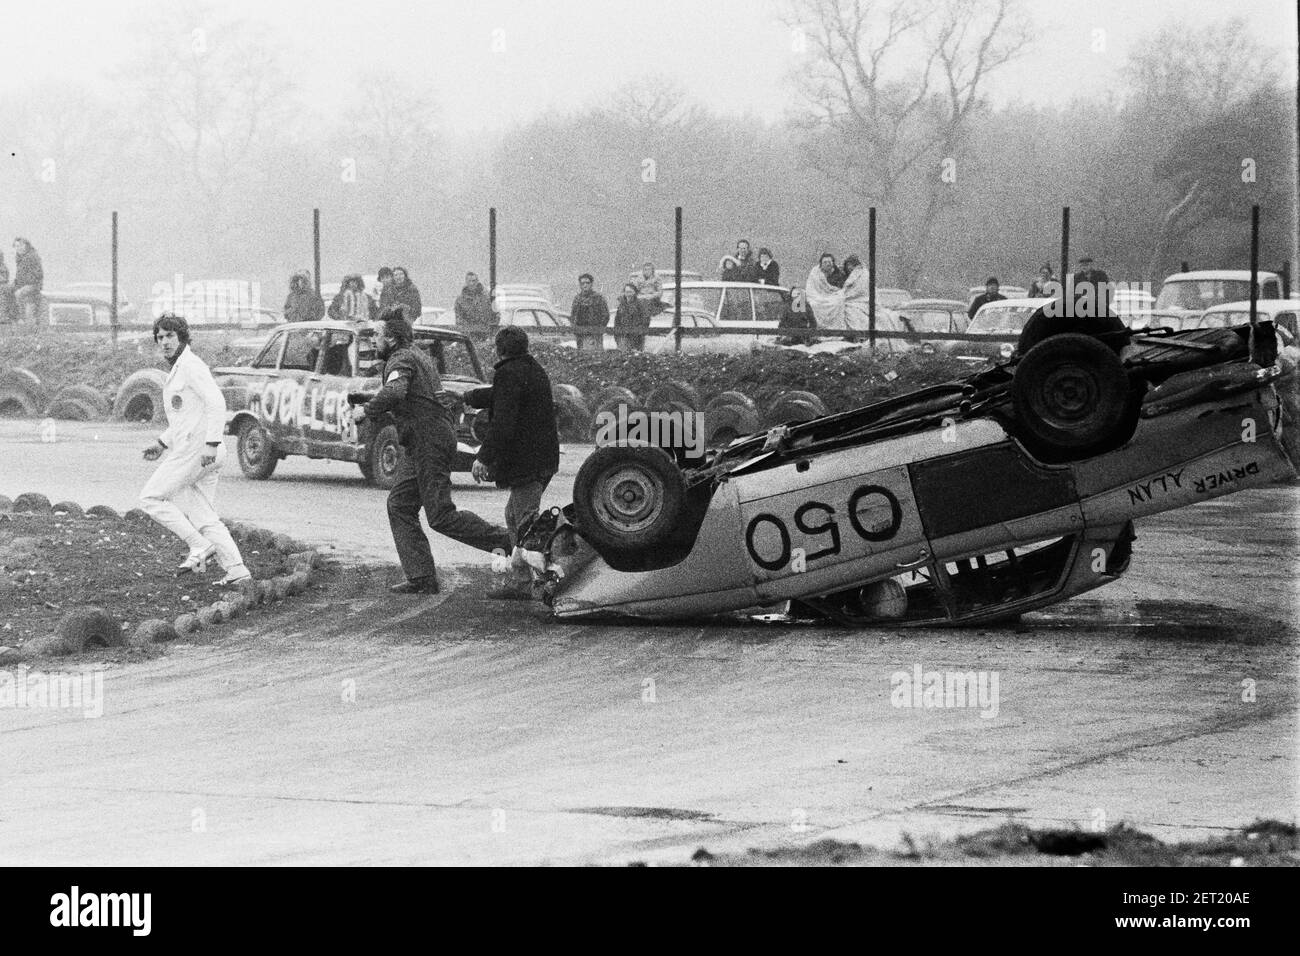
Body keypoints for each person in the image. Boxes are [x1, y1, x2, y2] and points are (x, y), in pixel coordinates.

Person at [351, 310, 511, 594]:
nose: (374, 340)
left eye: (377, 334)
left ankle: (511, 543)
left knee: (441, 516)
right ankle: (421, 576)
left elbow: (397, 391)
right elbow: (409, 393)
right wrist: (371, 399)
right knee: (399, 505)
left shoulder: (401, 358)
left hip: (429, 442)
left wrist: (367, 410)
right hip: (424, 442)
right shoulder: (415, 355)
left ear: (391, 337)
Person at [139, 314, 251, 586]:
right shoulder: (180, 366)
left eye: (170, 336)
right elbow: (189, 415)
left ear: (182, 338)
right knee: (203, 515)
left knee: (151, 498)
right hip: (201, 449)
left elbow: (216, 403)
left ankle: (198, 546)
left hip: (199, 451)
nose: (164, 342)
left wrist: (211, 444)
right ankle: (237, 569)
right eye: (160, 337)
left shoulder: (190, 366)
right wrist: (162, 443)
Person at [464, 326, 560, 599]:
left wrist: (483, 457)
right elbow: (499, 395)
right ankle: (524, 578)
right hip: (542, 458)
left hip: (527, 462)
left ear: (499, 350)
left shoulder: (508, 373)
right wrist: (467, 397)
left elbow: (503, 422)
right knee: (516, 517)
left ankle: (542, 580)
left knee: (527, 522)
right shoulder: (532, 368)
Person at [569, 273, 609, 351]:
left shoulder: (598, 298)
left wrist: (598, 329)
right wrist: (575, 328)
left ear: (591, 284)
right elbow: (573, 315)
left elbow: (605, 315)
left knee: (595, 356)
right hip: (580, 334)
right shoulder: (577, 299)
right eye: (583, 283)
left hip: (594, 334)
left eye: (587, 283)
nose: (585, 285)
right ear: (580, 285)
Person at [11, 238, 43, 321]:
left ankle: (22, 318)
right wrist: (15, 284)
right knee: (6, 290)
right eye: (16, 246)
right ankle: (10, 319)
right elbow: (19, 275)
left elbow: (37, 276)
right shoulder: (19, 258)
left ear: (26, 246)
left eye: (21, 245)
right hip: (23, 284)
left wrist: (22, 285)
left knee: (19, 294)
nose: (18, 248)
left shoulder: (32, 257)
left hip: (33, 285)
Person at [613, 282, 648, 351]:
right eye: (626, 292)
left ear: (635, 292)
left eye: (630, 292)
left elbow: (645, 321)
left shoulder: (640, 305)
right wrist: (617, 336)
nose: (628, 294)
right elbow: (617, 321)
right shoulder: (621, 305)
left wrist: (638, 333)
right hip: (623, 337)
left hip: (636, 338)